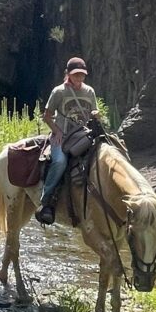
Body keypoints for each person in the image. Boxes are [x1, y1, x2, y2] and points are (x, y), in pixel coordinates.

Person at [36, 56, 99, 226]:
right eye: (76, 74)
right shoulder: (59, 92)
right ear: (68, 74)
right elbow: (47, 116)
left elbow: (93, 111)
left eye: (82, 75)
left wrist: (96, 115)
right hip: (62, 136)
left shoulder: (89, 92)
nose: (79, 78)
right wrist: (56, 131)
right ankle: (46, 201)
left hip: (83, 137)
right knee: (59, 162)